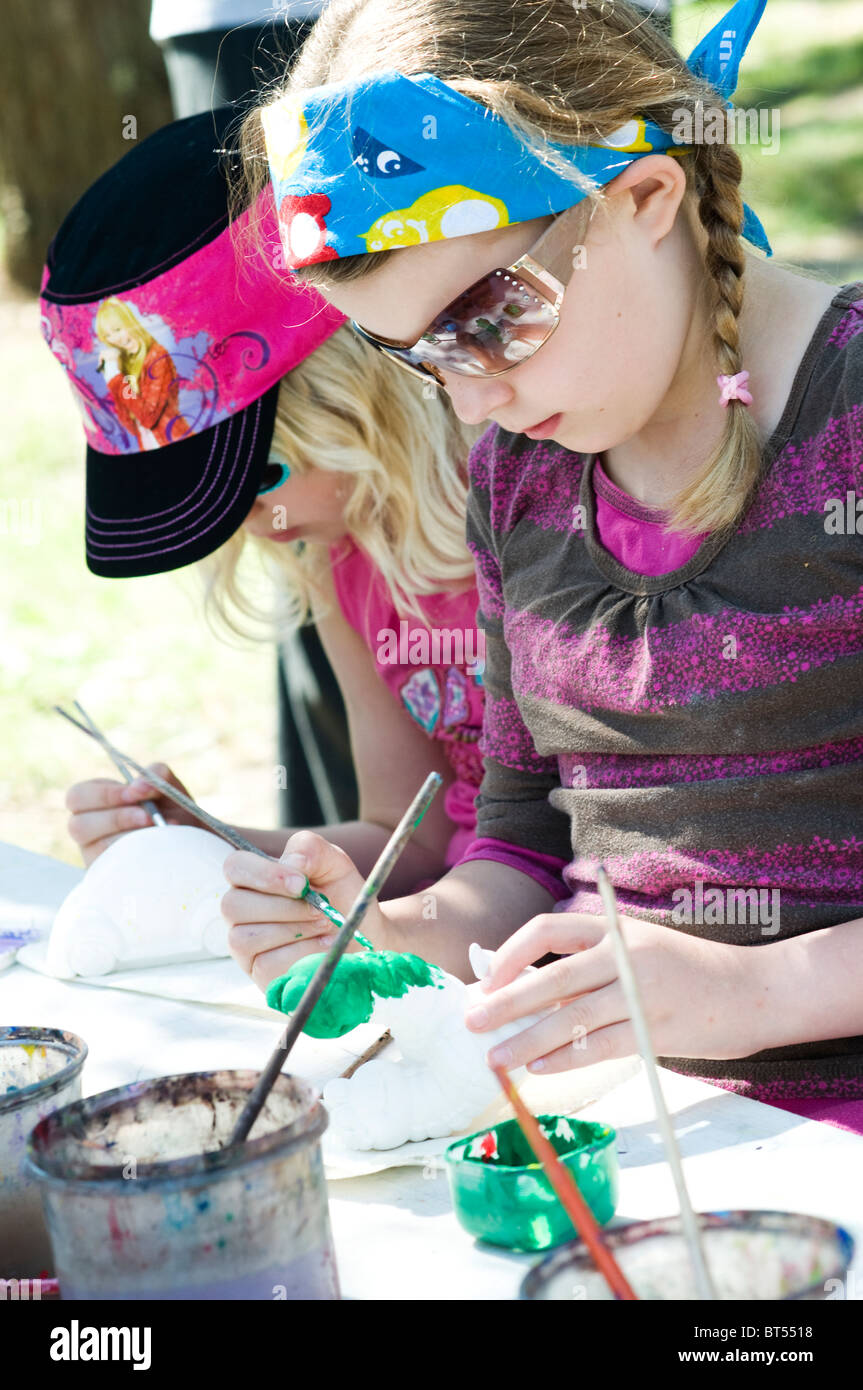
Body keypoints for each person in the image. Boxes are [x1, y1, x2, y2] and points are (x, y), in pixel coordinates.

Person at [224, 0, 863, 1130]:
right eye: (411, 354)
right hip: (631, 1127)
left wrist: (756, 989)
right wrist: (383, 929)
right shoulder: (519, 478)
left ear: (642, 199)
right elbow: (521, 843)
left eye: (489, 319)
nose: (471, 398)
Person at [42, 110, 493, 929]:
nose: (255, 525)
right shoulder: (345, 562)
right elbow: (408, 842)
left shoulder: (539, 513)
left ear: (366, 389)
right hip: (477, 944)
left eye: (264, 477)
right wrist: (198, 843)